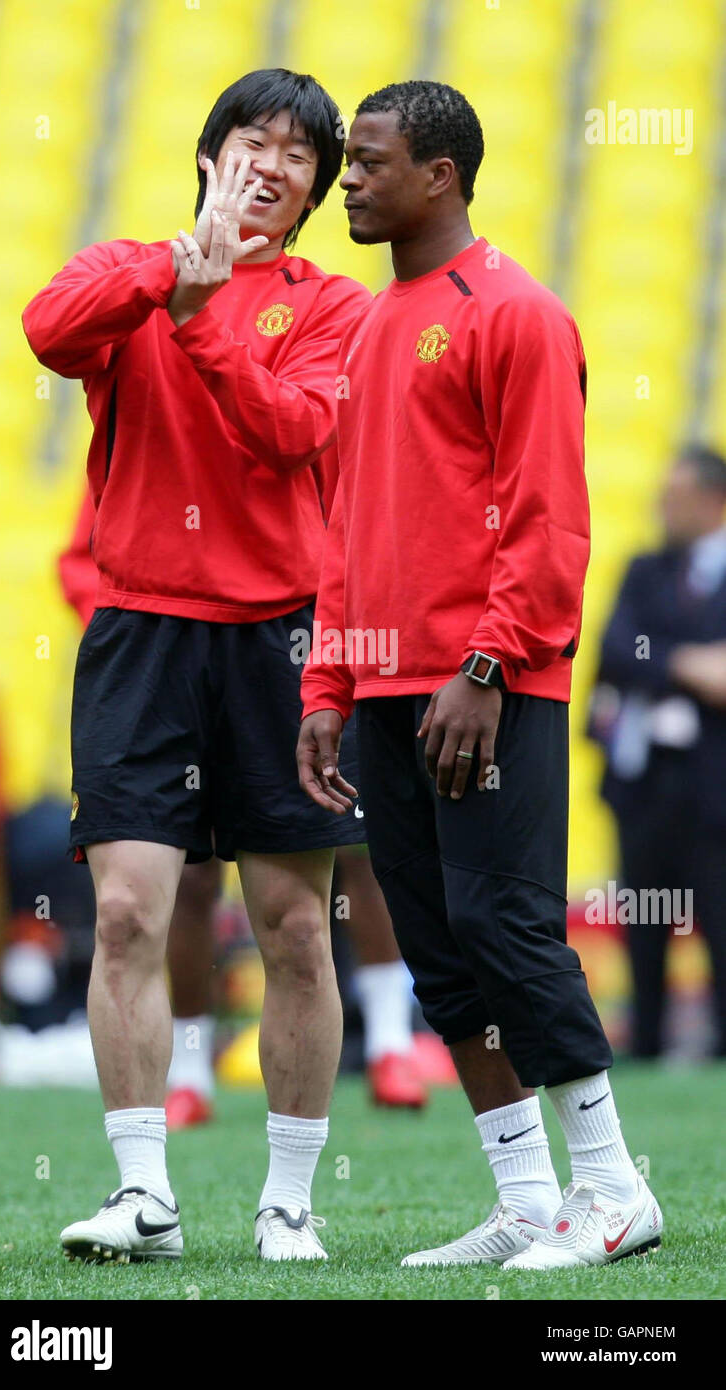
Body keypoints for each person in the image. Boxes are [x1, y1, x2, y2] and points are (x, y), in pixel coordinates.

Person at [298, 80, 664, 1270]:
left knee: (510, 927)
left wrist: (492, 662)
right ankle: (524, 1193)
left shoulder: (517, 313)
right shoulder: (364, 326)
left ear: (439, 174)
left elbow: (552, 520)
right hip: (388, 688)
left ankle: (612, 1188)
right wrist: (327, 689)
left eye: (366, 162)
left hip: (491, 682)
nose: (344, 181)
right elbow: (348, 526)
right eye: (347, 164)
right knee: (442, 946)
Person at [23, 68, 373, 1265]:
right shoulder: (125, 267)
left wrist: (201, 316)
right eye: (252, 139)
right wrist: (165, 276)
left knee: (292, 927)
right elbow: (47, 329)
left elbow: (295, 430)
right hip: (139, 631)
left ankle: (288, 1200)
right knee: (124, 914)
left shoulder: (334, 306)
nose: (272, 163)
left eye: (300, 154)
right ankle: (142, 1194)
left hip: (281, 636)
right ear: (211, 151)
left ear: (320, 187)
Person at [59, 487, 428, 1113]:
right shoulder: (150, 417)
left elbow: (342, 497)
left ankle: (392, 1042)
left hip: (289, 639)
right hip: (165, 653)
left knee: (351, 861)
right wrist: (132, 620)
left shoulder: (304, 393)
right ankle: (191, 1068)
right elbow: (78, 556)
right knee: (184, 884)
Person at [592, 445, 726, 1059]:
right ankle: (645, 1044)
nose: (661, 511)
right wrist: (689, 662)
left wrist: (661, 658)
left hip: (715, 786)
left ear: (712, 500)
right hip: (647, 785)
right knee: (643, 922)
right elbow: (617, 650)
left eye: (675, 499)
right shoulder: (645, 569)